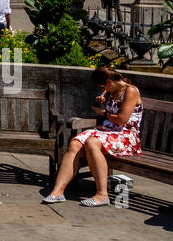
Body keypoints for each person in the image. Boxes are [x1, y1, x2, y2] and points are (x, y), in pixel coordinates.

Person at [43, 67, 143, 206]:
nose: (102, 89)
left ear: (109, 81)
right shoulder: (111, 90)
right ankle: (58, 191)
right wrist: (104, 100)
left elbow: (121, 120)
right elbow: (110, 106)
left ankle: (102, 195)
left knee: (92, 142)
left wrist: (103, 112)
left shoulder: (130, 91)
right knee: (75, 143)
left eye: (103, 86)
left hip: (126, 135)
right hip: (108, 130)